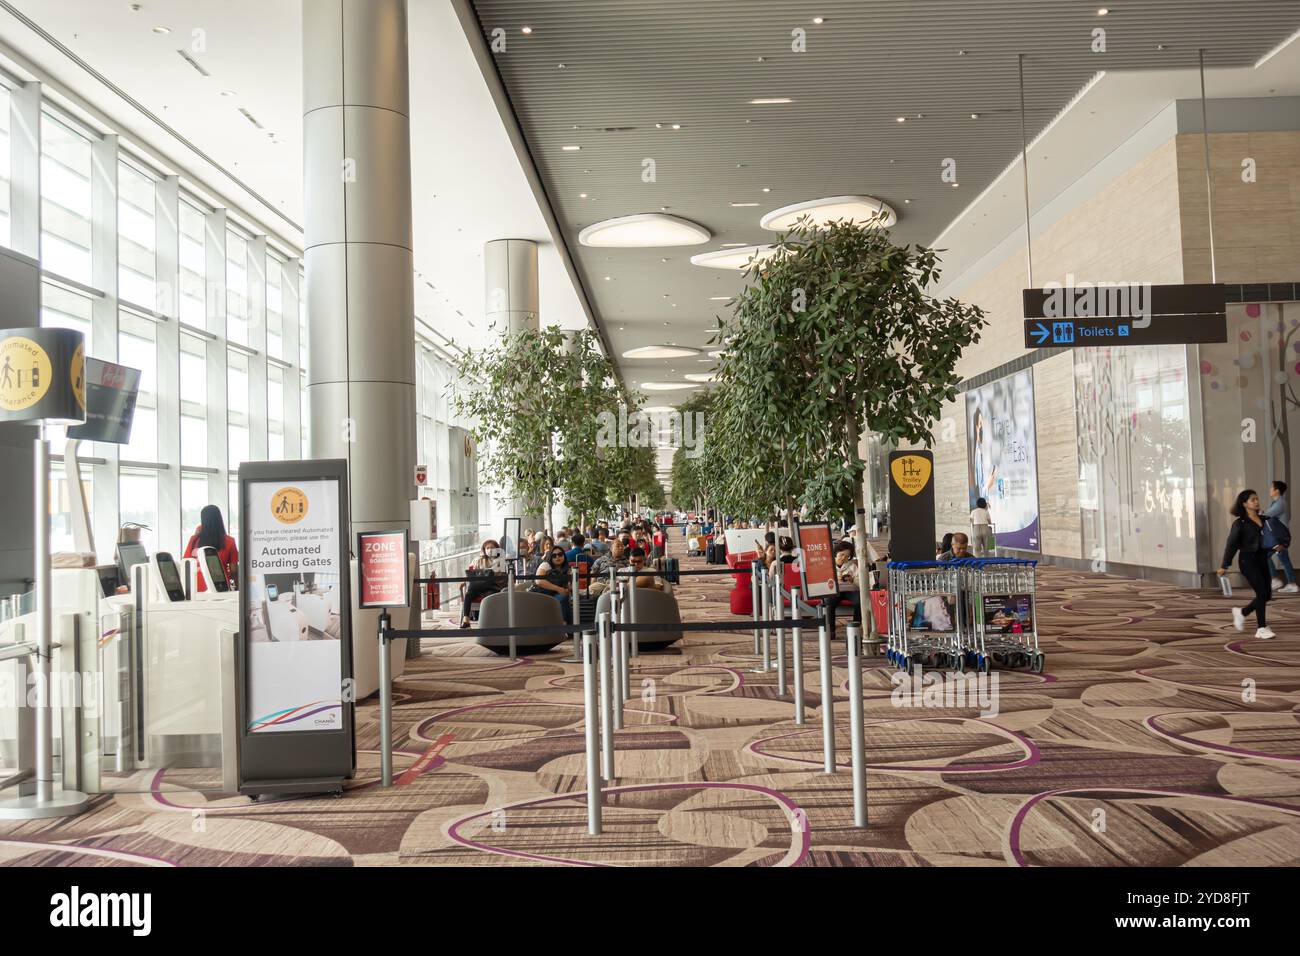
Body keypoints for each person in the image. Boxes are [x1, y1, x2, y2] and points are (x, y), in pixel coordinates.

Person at [1217, 489, 1277, 640]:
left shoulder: (1265, 519)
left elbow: (1271, 538)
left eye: (1257, 499)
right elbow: (1231, 545)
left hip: (1263, 560)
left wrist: (1279, 546)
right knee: (1262, 593)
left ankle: (1242, 613)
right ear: (1244, 504)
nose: (1256, 501)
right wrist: (1225, 565)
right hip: (1247, 561)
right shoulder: (1240, 523)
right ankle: (1261, 628)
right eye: (1252, 499)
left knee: (1267, 594)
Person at [183, 504, 238, 592]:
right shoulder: (229, 541)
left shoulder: (194, 540)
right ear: (219, 519)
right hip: (220, 588)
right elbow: (234, 570)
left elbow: (186, 563)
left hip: (195, 589)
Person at [460, 540, 507, 627]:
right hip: (478, 587)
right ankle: (466, 619)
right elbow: (471, 574)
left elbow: (501, 578)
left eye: (492, 548)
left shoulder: (502, 561)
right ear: (484, 550)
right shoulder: (478, 560)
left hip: (493, 587)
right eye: (487, 548)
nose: (489, 550)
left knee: (489, 597)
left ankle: (487, 621)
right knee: (469, 594)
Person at [1265, 480, 1297, 593]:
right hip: (1279, 536)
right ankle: (1291, 583)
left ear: (1276, 491)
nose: (1270, 490)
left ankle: (1275, 579)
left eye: (1271, 488)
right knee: (1284, 559)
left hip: (1279, 536)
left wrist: (1258, 514)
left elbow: (1268, 515)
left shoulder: (1280, 503)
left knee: (1265, 555)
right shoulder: (1277, 503)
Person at [530, 546, 573, 623]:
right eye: (554, 556)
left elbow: (568, 587)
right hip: (542, 593)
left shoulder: (567, 568)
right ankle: (564, 625)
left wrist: (568, 588)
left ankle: (565, 625)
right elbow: (539, 581)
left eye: (560, 554)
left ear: (564, 555)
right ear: (550, 557)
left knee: (563, 598)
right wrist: (558, 589)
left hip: (556, 594)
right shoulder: (546, 565)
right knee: (561, 599)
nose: (557, 557)